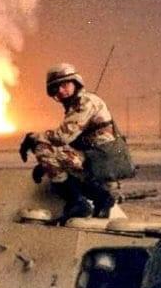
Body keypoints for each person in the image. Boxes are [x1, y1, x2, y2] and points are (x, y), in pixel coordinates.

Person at [19, 62, 135, 219]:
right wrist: (45, 166)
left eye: (65, 85)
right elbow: (70, 144)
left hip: (103, 160)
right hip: (95, 159)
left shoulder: (85, 102)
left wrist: (33, 137)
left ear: (76, 83)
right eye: (56, 88)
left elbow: (62, 137)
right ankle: (100, 198)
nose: (60, 91)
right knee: (53, 163)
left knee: (42, 148)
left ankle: (79, 202)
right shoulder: (75, 107)